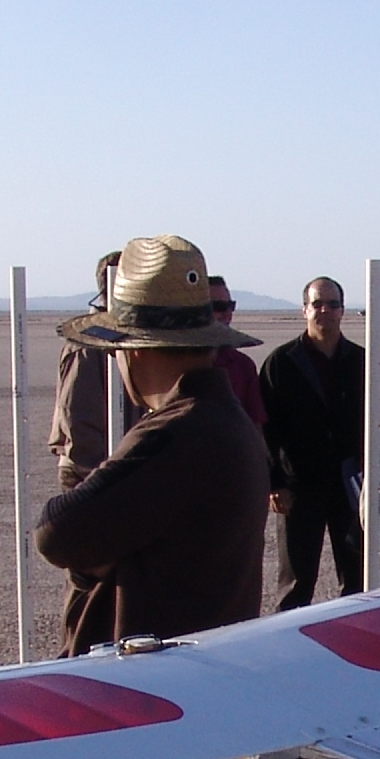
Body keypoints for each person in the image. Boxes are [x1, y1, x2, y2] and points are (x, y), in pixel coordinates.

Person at [36, 237, 270, 647]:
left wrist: (95, 562)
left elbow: (54, 532)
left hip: (158, 683)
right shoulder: (225, 421)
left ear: (135, 351)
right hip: (206, 668)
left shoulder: (177, 433)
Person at [258, 277, 366, 608]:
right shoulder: (282, 363)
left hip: (350, 487)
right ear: (305, 310)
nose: (325, 311)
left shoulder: (362, 361)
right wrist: (273, 483)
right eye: (317, 304)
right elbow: (264, 428)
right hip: (298, 488)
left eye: (332, 304)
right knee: (296, 582)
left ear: (342, 311)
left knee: (358, 577)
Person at [48, 250, 125, 490]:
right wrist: (101, 473)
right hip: (90, 472)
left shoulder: (124, 338)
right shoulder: (87, 344)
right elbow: (76, 413)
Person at [204, 278, 270, 432]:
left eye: (230, 306)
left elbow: (256, 426)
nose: (227, 314)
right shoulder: (176, 363)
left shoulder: (242, 366)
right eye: (219, 307)